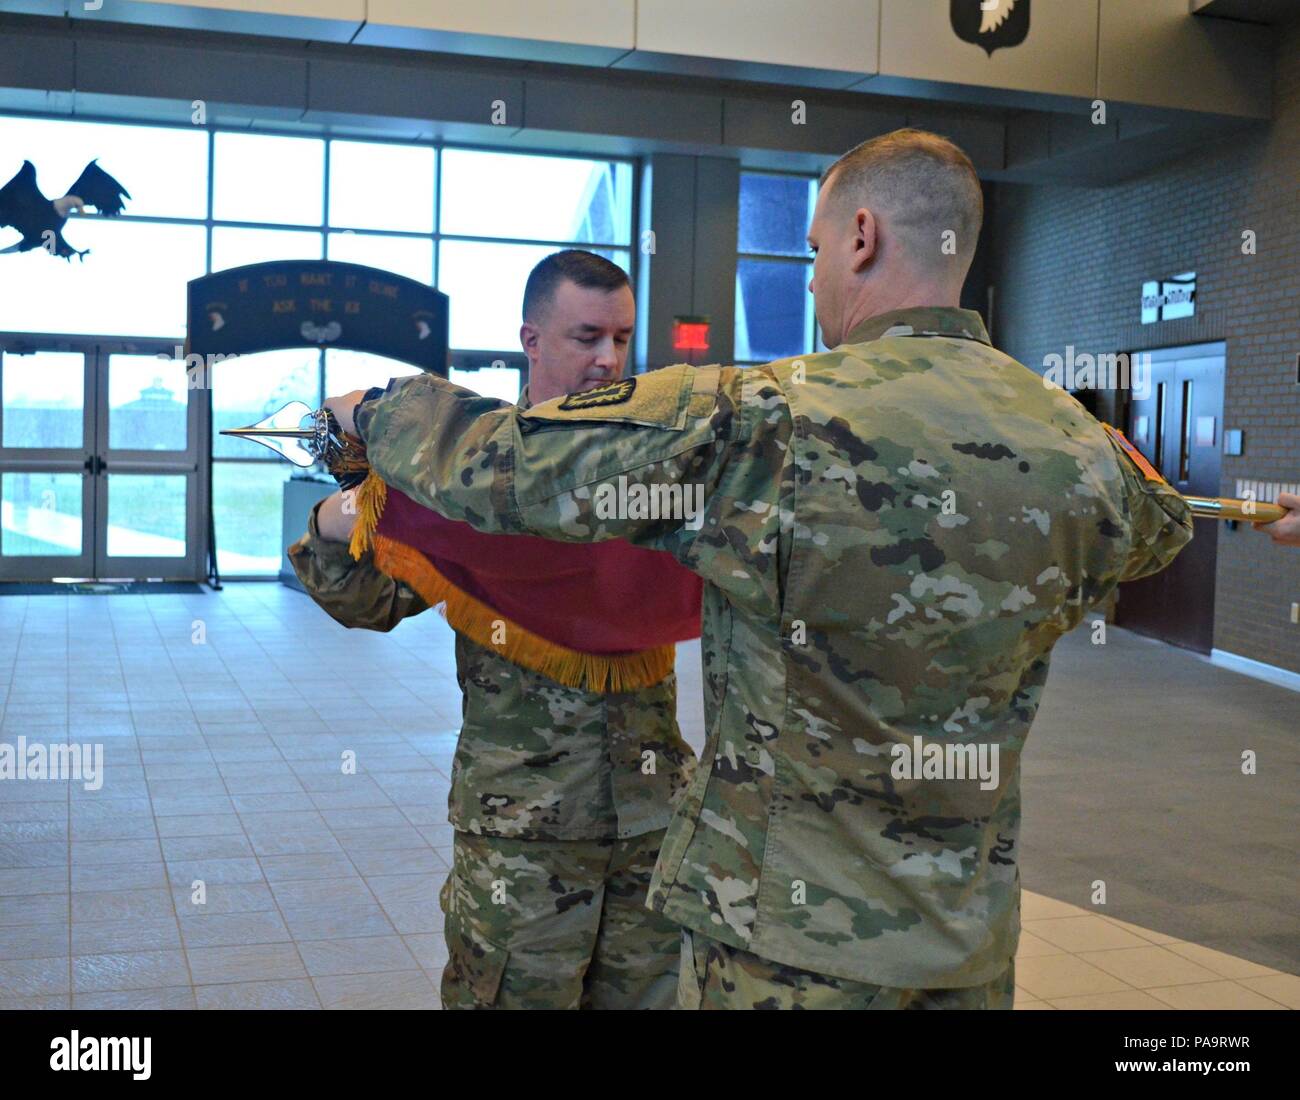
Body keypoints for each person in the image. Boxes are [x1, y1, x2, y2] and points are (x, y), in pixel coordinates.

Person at [325, 129, 1196, 1009]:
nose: (812, 275)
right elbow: (1165, 526)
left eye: (814, 250)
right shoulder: (1079, 444)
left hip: (787, 939)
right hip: (962, 941)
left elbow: (510, 463)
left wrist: (375, 410)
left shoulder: (766, 422)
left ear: (862, 237)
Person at [291, 250, 698, 1009]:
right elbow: (365, 602)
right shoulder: (467, 478)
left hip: (653, 819)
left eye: (621, 336)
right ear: (531, 340)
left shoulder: (656, 469)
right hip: (523, 831)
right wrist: (335, 516)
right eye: (586, 337)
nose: (608, 359)